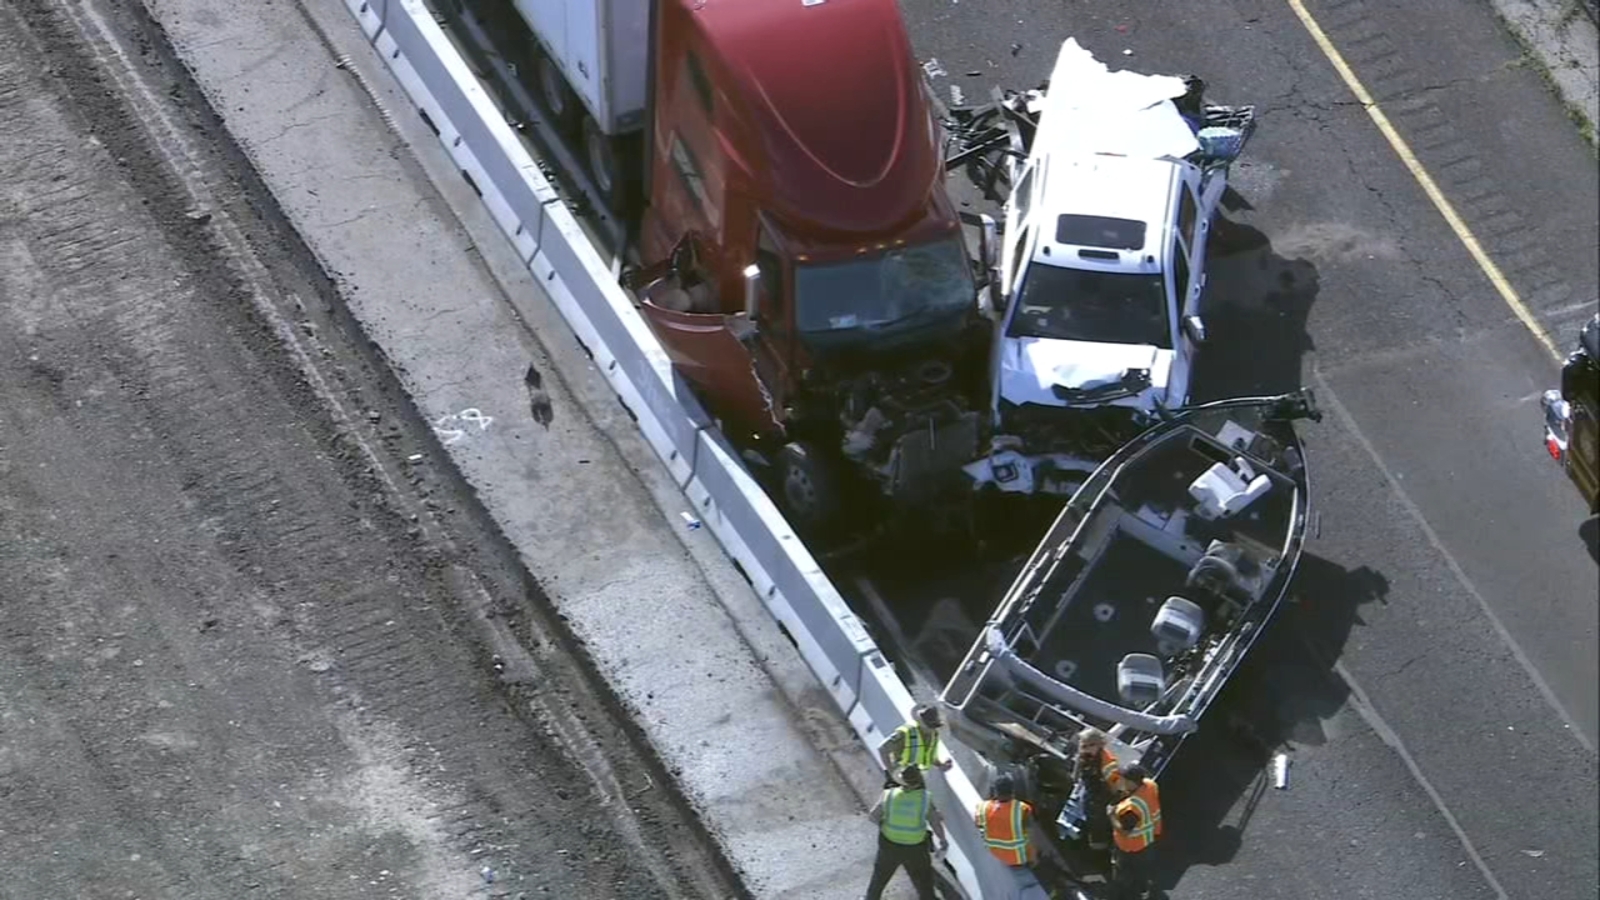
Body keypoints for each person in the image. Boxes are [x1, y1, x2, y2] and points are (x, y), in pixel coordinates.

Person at [865, 765, 948, 900]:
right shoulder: (925, 798)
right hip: (915, 848)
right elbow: (935, 822)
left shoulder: (889, 794)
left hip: (889, 844)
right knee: (923, 879)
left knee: (880, 876)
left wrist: (886, 826)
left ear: (902, 780)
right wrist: (943, 840)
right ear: (919, 780)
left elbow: (873, 816)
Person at [1107, 763, 1162, 900]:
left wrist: (1111, 815)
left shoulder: (1132, 807)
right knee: (1143, 869)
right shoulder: (1150, 785)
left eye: (1123, 779)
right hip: (1148, 839)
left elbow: (1125, 832)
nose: (1121, 781)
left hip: (1130, 846)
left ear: (1131, 782)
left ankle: (1124, 893)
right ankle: (1144, 889)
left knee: (1123, 870)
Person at [878, 703, 953, 786]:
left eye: (934, 726)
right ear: (920, 721)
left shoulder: (934, 735)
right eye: (928, 725)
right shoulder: (906, 733)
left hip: (918, 779)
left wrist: (941, 765)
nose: (931, 729)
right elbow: (883, 748)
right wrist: (893, 773)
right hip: (902, 776)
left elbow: (929, 756)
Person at [1072, 728, 1122, 850]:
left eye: (1091, 745)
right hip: (1090, 794)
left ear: (1099, 744)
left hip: (1104, 797)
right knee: (1091, 819)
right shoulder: (1083, 755)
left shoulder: (1108, 762)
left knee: (1100, 823)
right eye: (1084, 745)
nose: (1087, 748)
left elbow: (1116, 786)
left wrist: (1114, 804)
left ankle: (1103, 848)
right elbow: (1076, 775)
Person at [974, 773, 1037, 868]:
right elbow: (1031, 836)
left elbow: (978, 825)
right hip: (1018, 859)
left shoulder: (982, 807)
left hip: (994, 856)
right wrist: (1033, 858)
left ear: (995, 791)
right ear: (1013, 791)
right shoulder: (1022, 809)